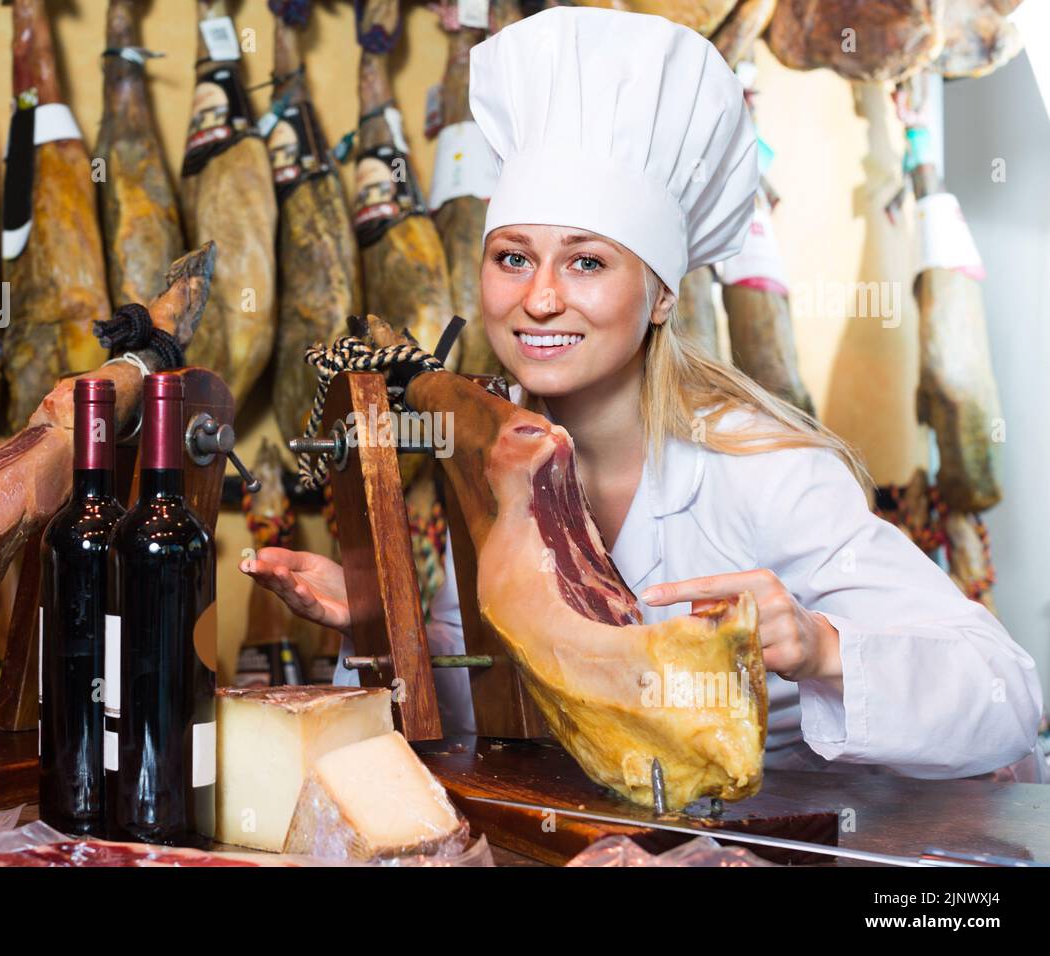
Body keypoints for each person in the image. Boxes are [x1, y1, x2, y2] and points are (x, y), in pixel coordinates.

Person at [242, 7, 1046, 781]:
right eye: (513, 257)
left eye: (587, 262)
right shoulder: (503, 457)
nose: (541, 298)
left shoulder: (763, 469)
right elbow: (496, 698)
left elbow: (1005, 694)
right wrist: (382, 618)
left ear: (662, 295)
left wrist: (821, 646)